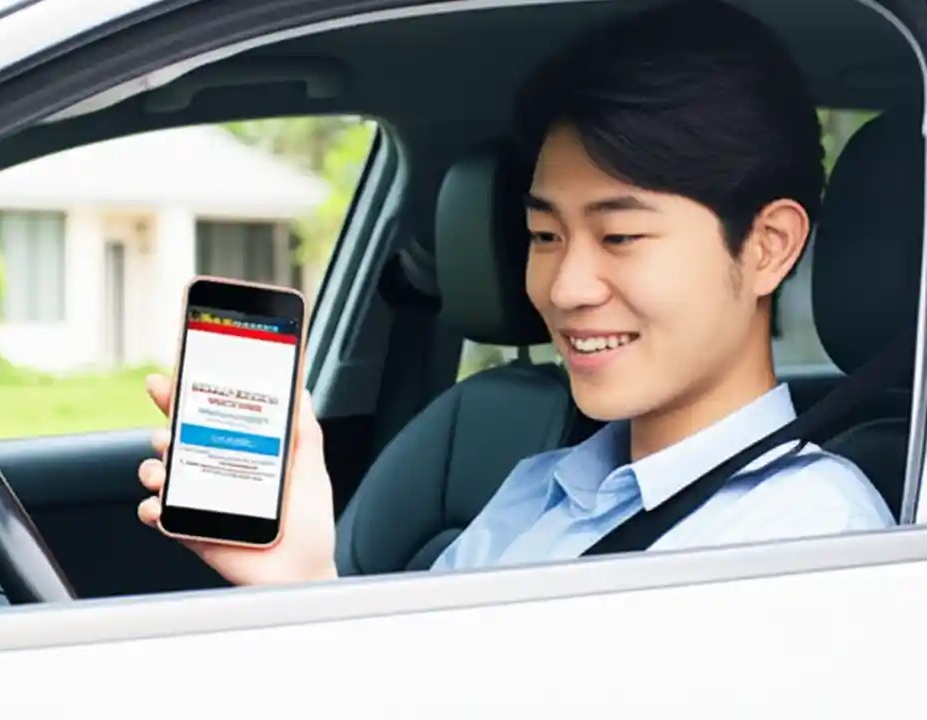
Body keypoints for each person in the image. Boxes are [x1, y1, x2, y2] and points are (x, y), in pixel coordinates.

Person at [134, 0, 894, 585]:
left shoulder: (815, 540)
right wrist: (299, 580)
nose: (564, 287)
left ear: (769, 247)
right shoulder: (542, 486)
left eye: (620, 236)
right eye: (544, 236)